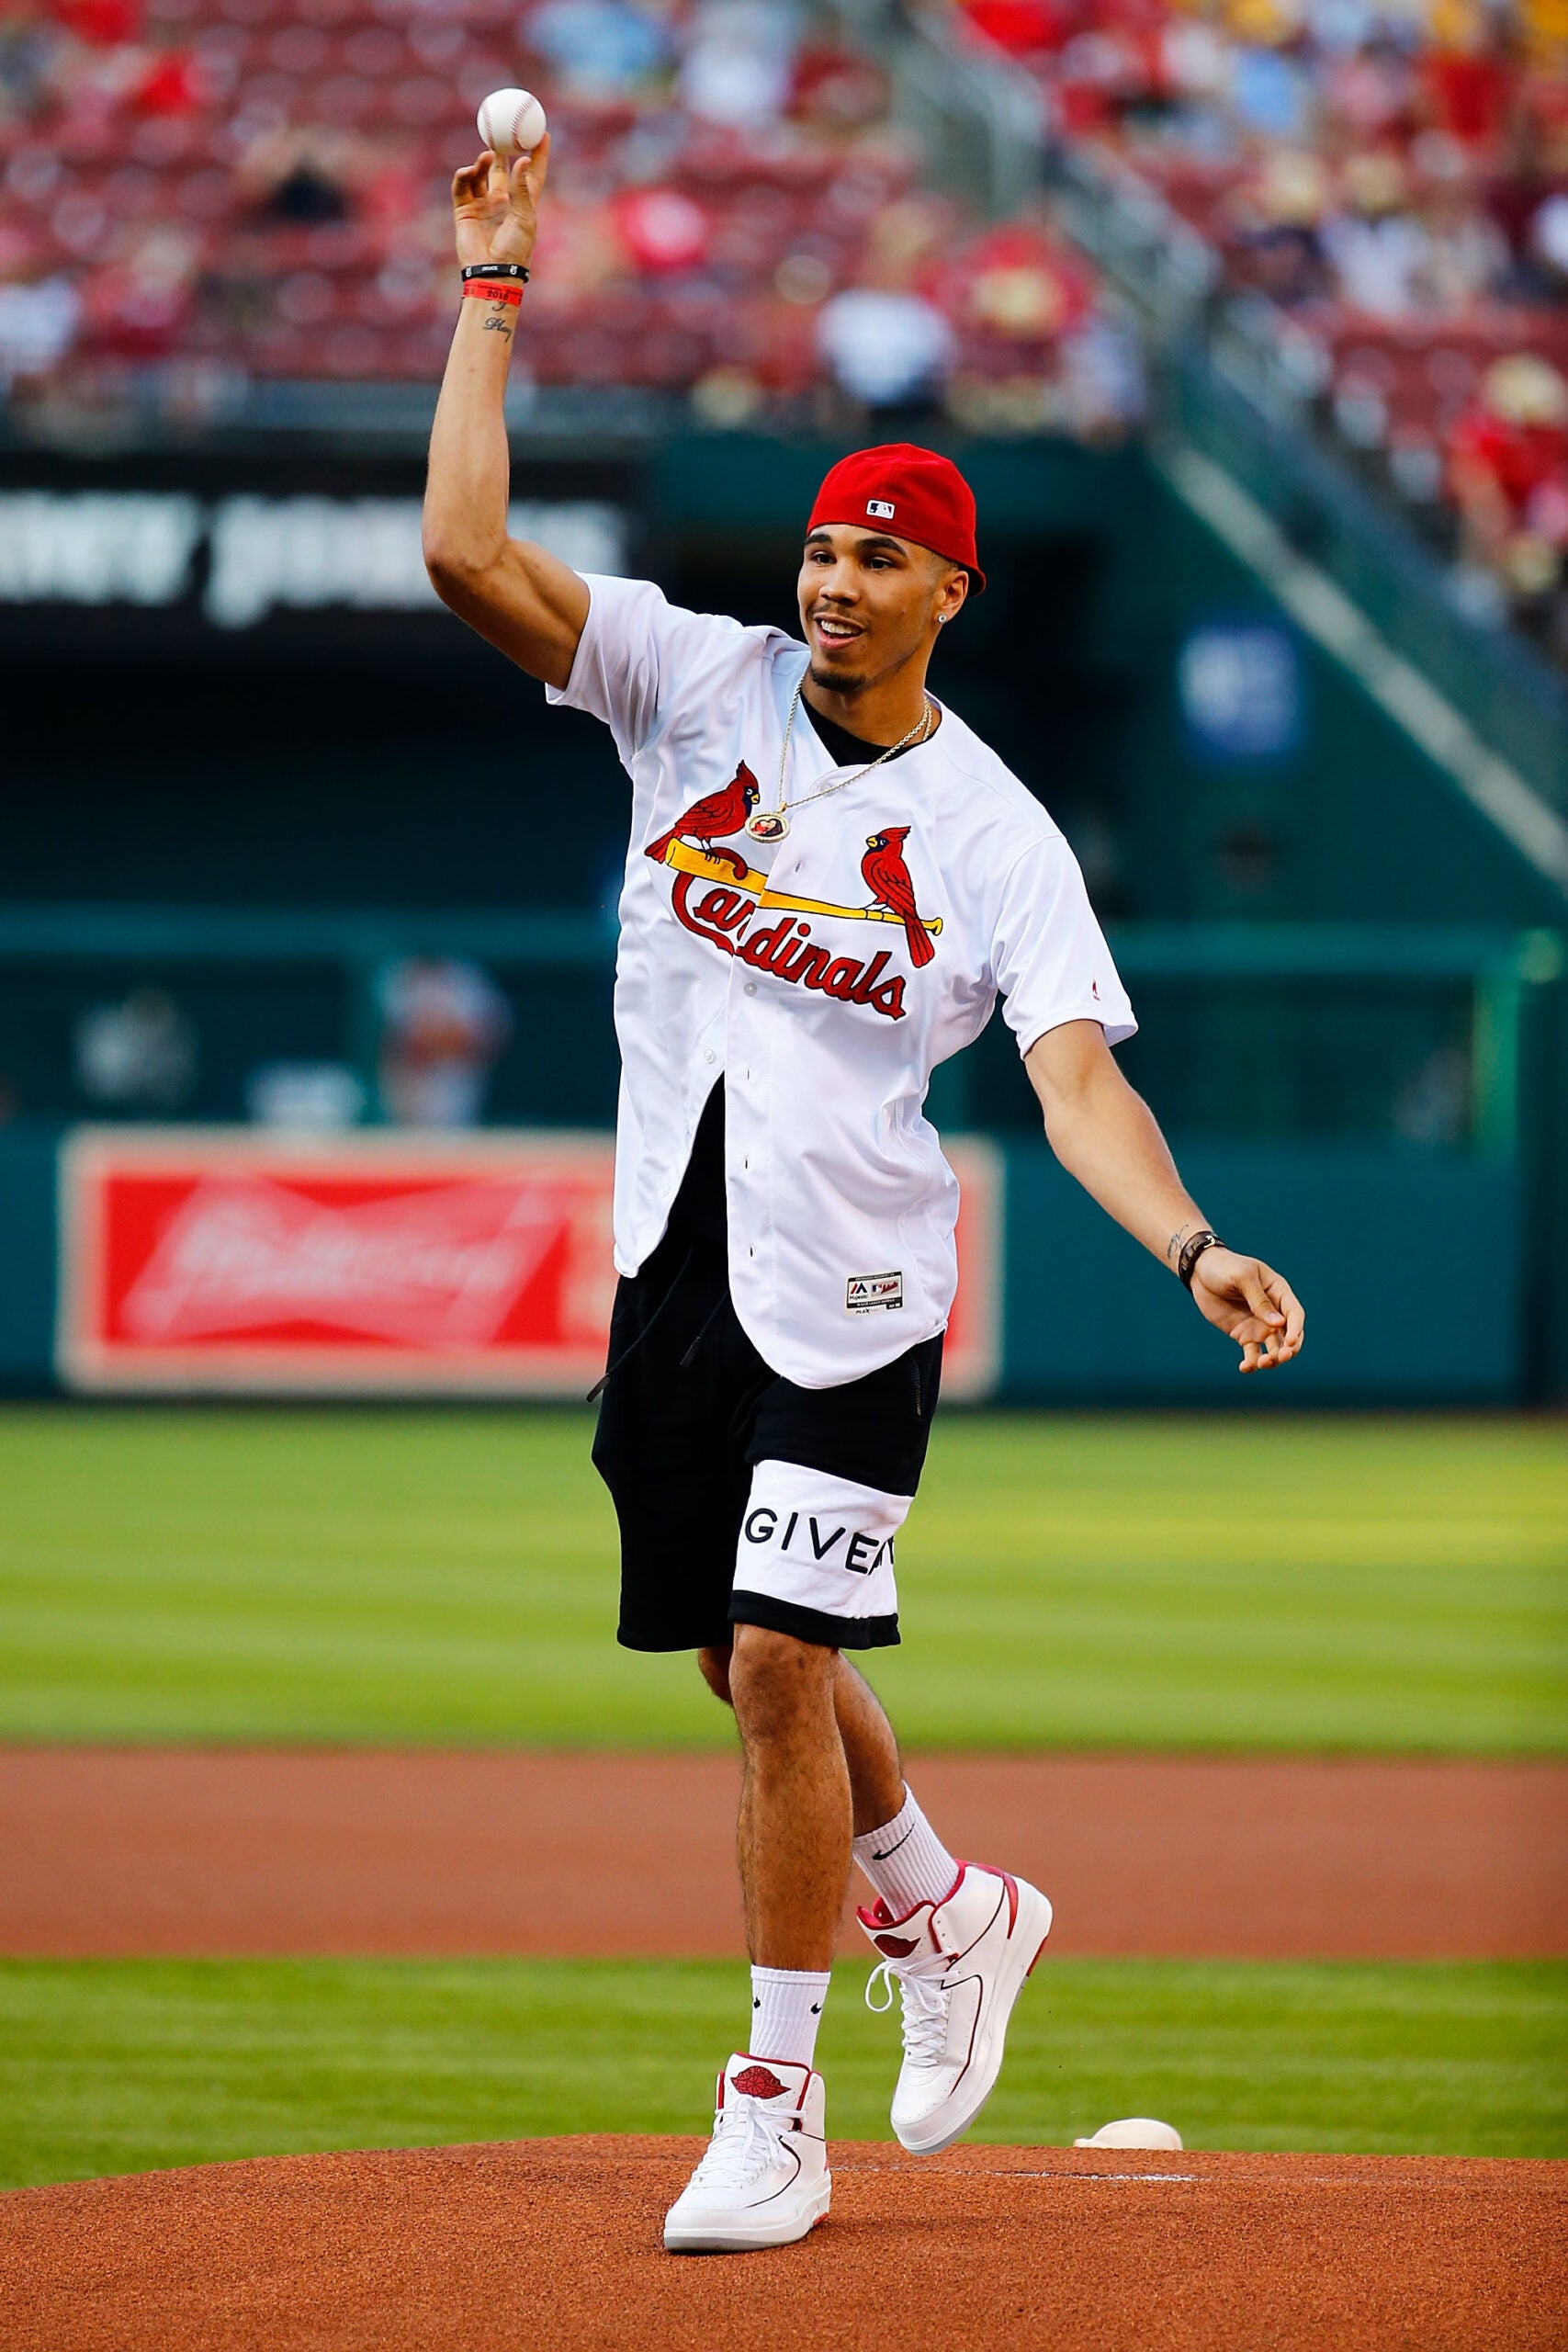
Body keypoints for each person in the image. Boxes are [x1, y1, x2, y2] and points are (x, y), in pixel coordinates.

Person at [423, 137, 1306, 2256]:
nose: (830, 580)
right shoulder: (686, 682)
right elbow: (466, 550)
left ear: (947, 593)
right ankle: (947, 1902)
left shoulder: (994, 834)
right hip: (671, 1259)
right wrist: (491, 291)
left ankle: (768, 2093)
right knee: (753, 1672)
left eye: (876, 558)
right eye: (820, 546)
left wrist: (1187, 1240)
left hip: (856, 1285)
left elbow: (1072, 1072)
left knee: (769, 1652)